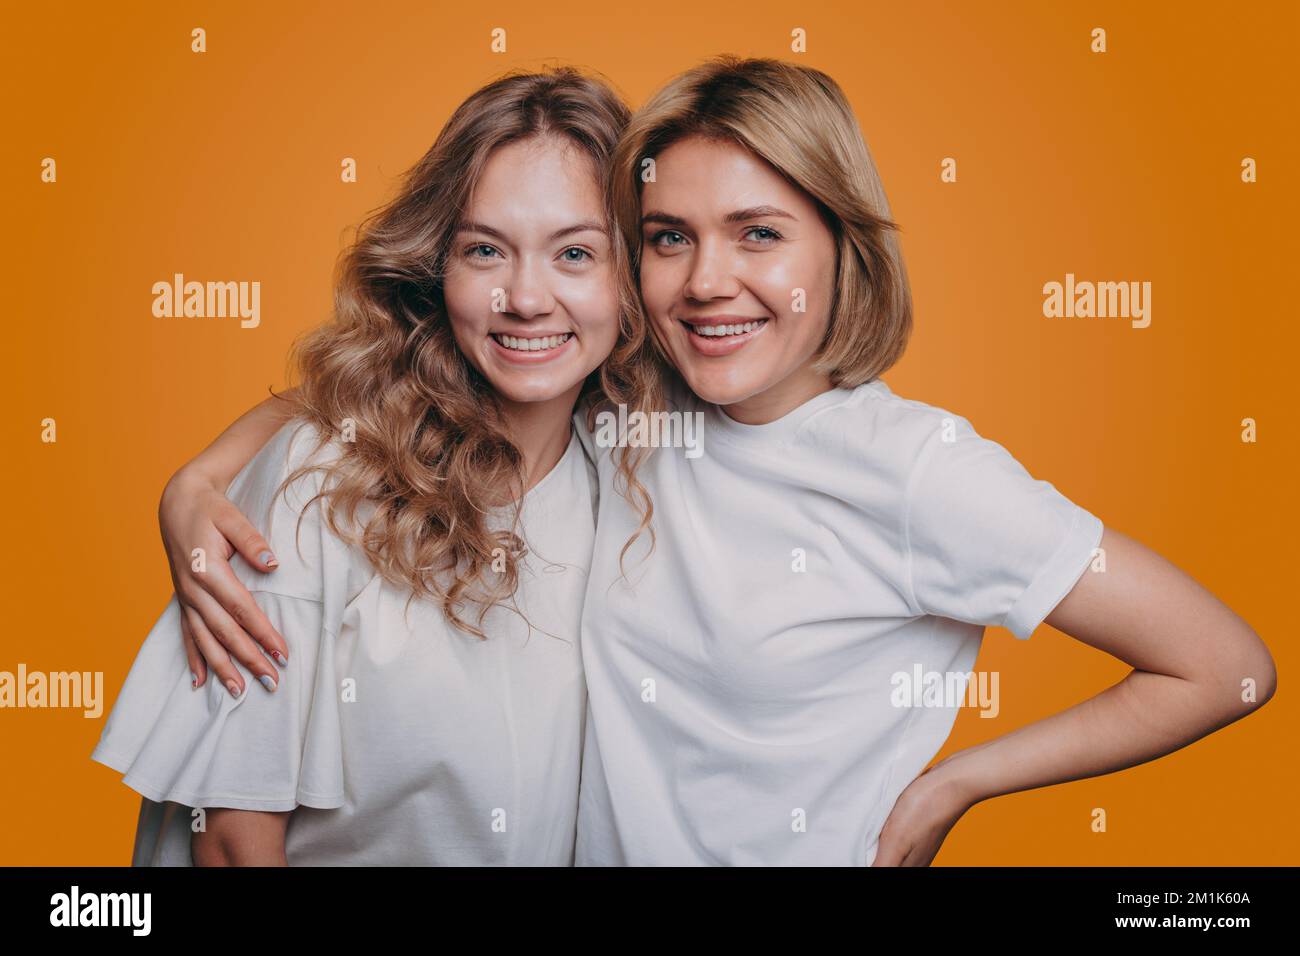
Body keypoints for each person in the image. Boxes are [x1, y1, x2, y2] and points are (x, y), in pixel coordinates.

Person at [135, 57, 1277, 867]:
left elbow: (1223, 665)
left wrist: (953, 781)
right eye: (668, 238)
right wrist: (202, 475)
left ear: (843, 242)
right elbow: (411, 378)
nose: (706, 279)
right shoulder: (631, 416)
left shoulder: (913, 469)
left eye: (760, 232)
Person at [90, 66, 650, 865]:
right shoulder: (314, 485)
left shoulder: (637, 476)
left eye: (575, 253)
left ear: (630, 277)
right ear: (435, 267)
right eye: (485, 250)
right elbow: (230, 839)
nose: (525, 298)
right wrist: (197, 482)